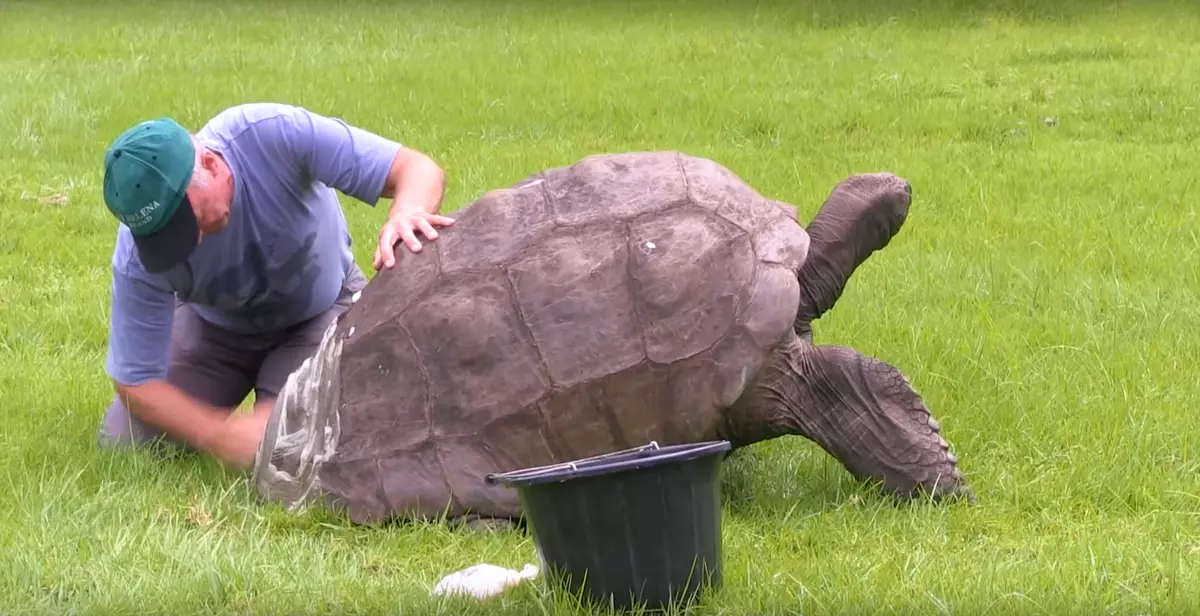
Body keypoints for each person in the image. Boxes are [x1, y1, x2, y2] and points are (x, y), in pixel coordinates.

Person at [97, 102, 454, 470]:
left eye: (184, 222)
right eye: (165, 237)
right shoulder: (139, 251)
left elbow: (417, 169)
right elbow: (135, 382)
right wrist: (216, 434)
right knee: (125, 439)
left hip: (321, 311)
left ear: (211, 164)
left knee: (293, 450)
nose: (188, 242)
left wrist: (406, 213)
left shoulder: (272, 134)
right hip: (214, 330)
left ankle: (284, 396)